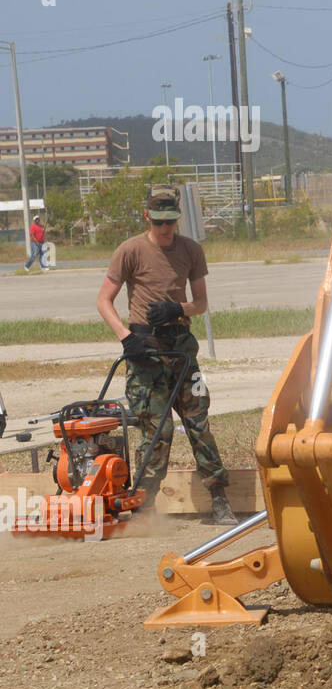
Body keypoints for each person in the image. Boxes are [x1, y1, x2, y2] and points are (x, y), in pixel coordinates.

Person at [95, 184, 237, 524]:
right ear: (147, 216)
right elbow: (104, 300)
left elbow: (201, 304)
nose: (164, 229)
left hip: (182, 353)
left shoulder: (190, 250)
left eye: (170, 222)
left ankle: (219, 498)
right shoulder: (129, 251)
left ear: (177, 219)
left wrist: (178, 307)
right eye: (158, 222)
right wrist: (126, 337)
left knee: (199, 423)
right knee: (157, 431)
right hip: (145, 355)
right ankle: (144, 507)